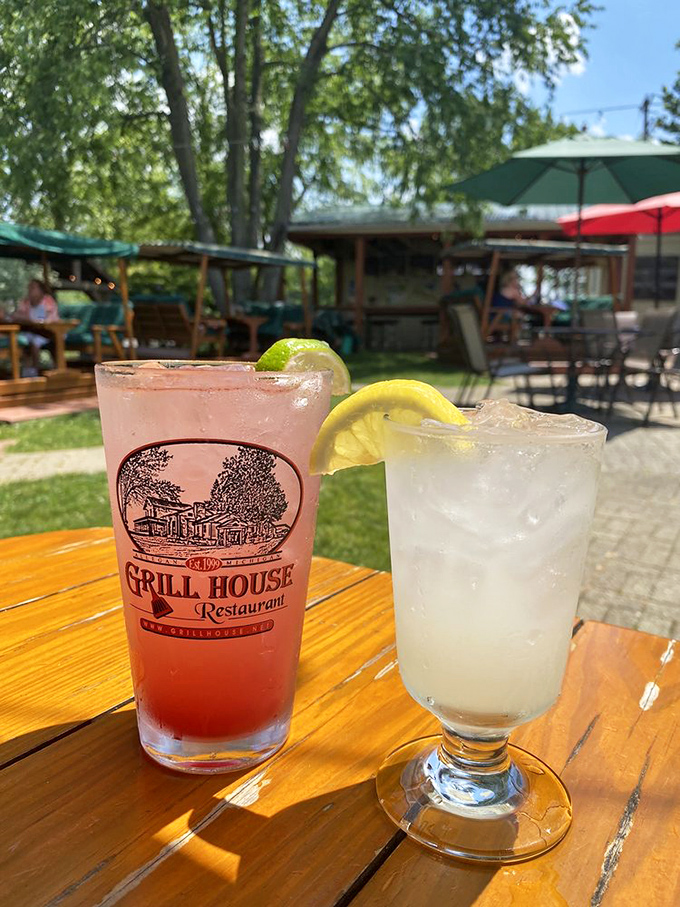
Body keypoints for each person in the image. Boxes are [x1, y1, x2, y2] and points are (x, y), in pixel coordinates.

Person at [15, 279, 59, 374]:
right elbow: (18, 314)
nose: (30, 290)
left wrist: (39, 321)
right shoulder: (26, 302)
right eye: (29, 287)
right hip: (31, 330)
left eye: (33, 287)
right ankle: (26, 369)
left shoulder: (48, 300)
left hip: (48, 332)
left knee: (35, 342)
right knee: (22, 341)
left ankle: (35, 369)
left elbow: (51, 317)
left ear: (41, 290)